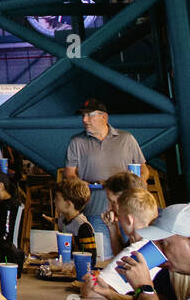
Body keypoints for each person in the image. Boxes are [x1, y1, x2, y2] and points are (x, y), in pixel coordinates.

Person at [60, 98, 145, 251]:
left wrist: (136, 185)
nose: (85, 120)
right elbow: (70, 174)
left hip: (128, 212)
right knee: (102, 259)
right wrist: (82, 185)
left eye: (89, 115)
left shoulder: (126, 139)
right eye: (83, 116)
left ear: (104, 117)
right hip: (95, 210)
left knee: (133, 255)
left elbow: (144, 169)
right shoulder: (76, 142)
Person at [99, 169, 147, 252]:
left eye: (113, 202)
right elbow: (122, 259)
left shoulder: (151, 227)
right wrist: (113, 228)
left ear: (128, 199)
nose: (109, 207)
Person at [52, 178, 98, 256]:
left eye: (57, 198)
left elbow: (90, 256)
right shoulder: (63, 220)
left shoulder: (83, 226)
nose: (54, 201)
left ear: (68, 204)